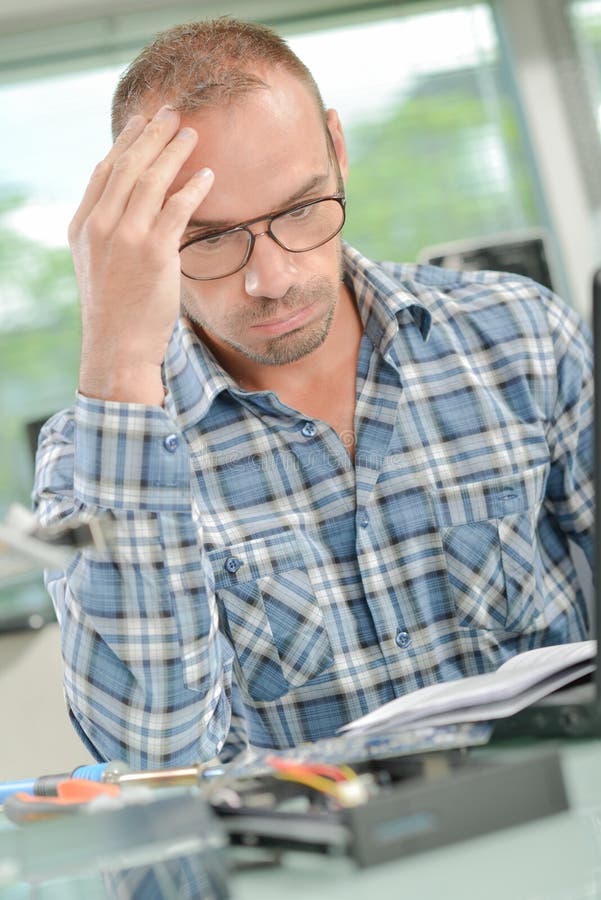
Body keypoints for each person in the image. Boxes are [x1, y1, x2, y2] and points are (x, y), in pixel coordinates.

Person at [33, 16, 593, 771]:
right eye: (208, 239)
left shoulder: (521, 335)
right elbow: (154, 768)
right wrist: (118, 353)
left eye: (300, 210)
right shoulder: (88, 460)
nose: (273, 280)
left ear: (337, 148)